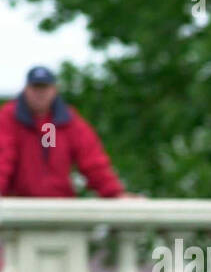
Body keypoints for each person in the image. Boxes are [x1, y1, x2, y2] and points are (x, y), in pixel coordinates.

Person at [0, 66, 133, 198]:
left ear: (54, 90)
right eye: (35, 87)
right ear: (26, 90)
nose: (40, 93)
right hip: (18, 206)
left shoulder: (69, 121)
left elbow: (93, 161)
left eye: (44, 88)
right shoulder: (8, 118)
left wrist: (115, 193)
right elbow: (3, 157)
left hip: (59, 206)